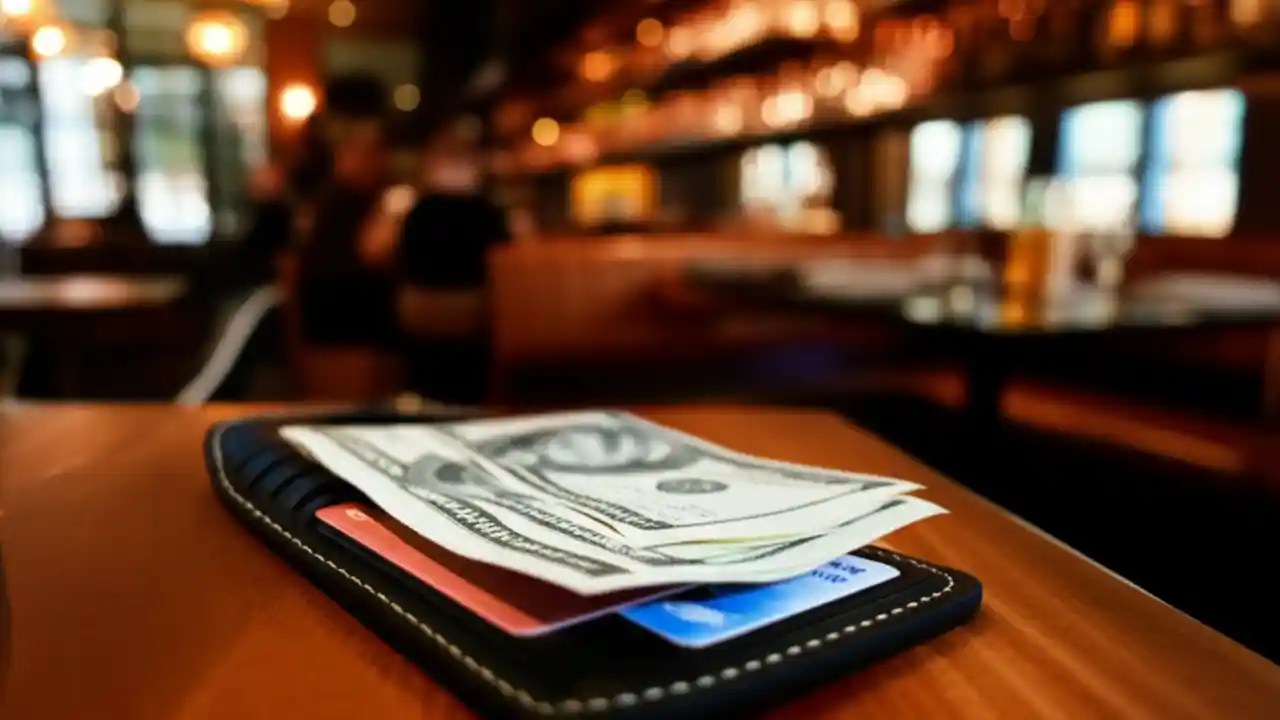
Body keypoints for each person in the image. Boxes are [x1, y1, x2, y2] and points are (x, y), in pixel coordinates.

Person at [397, 121, 510, 403]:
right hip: (473, 326)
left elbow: (389, 257)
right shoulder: (488, 213)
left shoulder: (416, 212)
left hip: (419, 328)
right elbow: (510, 262)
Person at [296, 120, 397, 347]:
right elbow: (375, 254)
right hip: (349, 319)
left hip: (324, 316)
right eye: (366, 153)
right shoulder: (352, 202)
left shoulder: (328, 201)